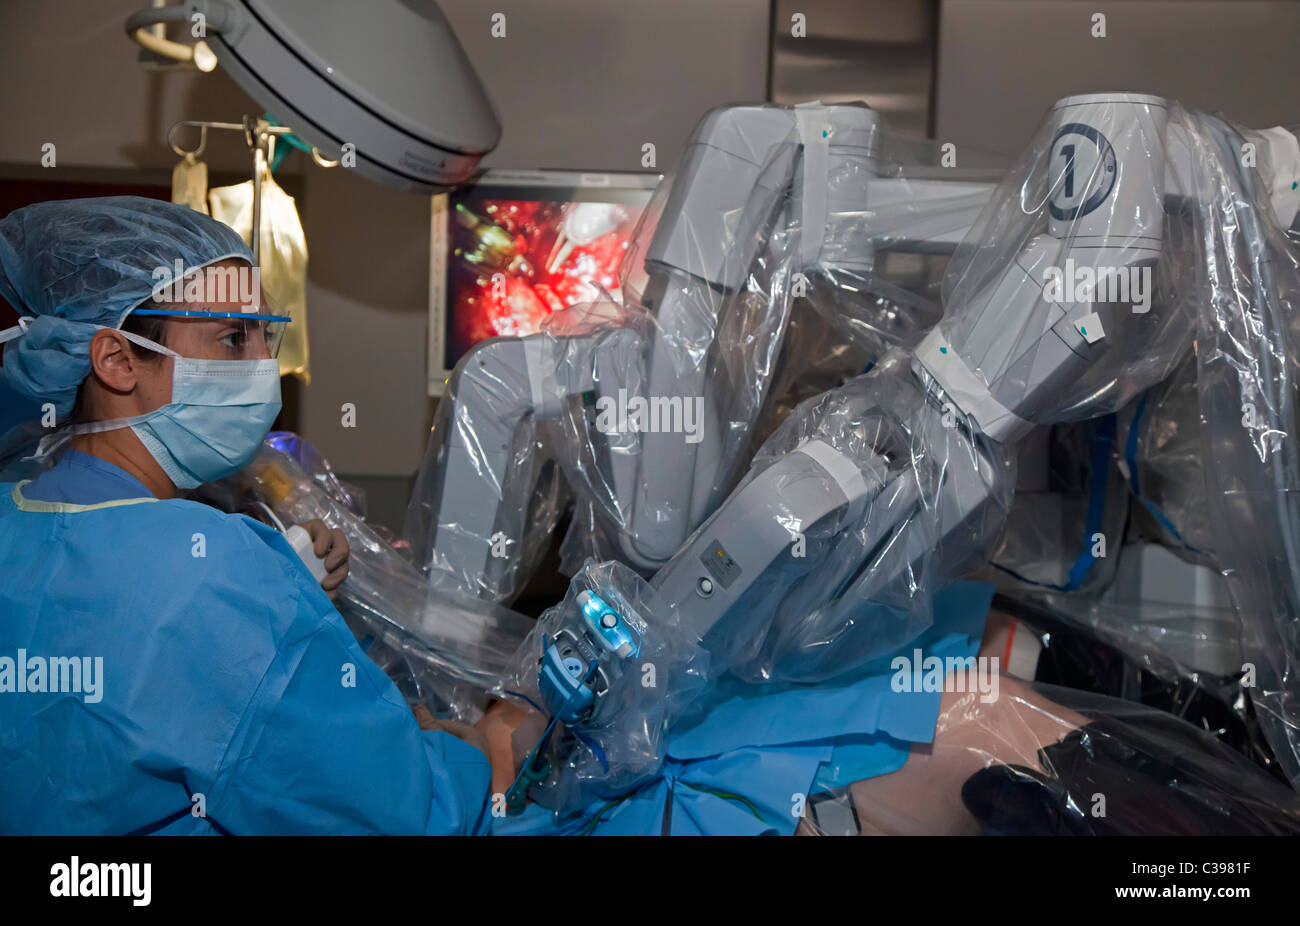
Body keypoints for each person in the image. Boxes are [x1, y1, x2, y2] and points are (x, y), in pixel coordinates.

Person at [0, 196, 492, 834]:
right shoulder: (218, 571)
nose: (264, 365)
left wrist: (278, 595)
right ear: (117, 361)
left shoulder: (19, 514)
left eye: (266, 334)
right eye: (233, 338)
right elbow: (394, 812)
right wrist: (479, 752)